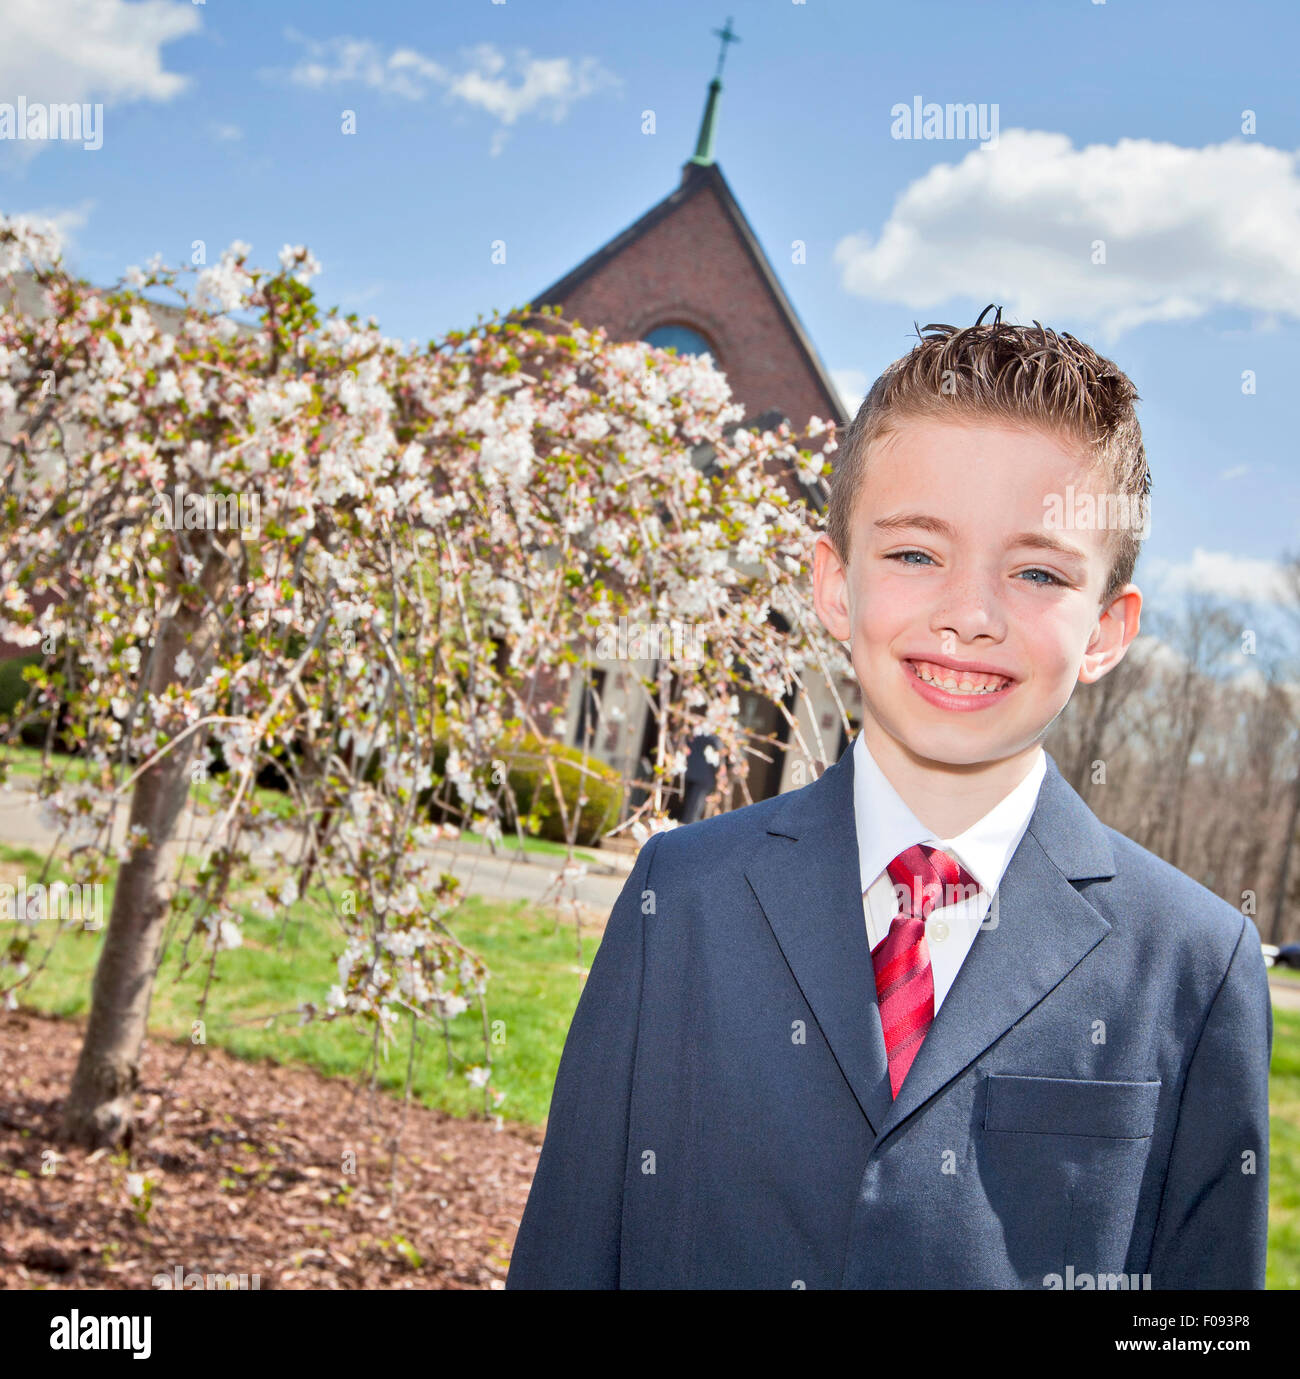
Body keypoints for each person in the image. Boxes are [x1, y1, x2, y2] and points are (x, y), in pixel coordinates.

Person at [505, 308, 1271, 1290]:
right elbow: (570, 1253)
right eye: (915, 552)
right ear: (835, 584)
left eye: (1037, 570)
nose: (968, 613)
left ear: (1105, 631)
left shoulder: (1195, 965)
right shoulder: (680, 897)